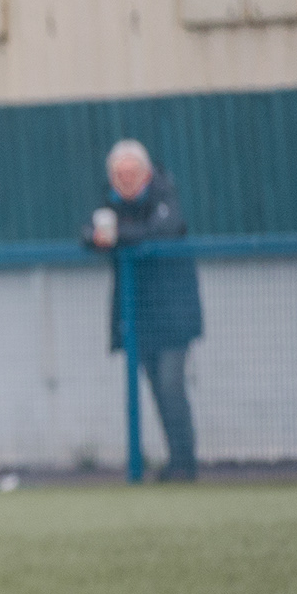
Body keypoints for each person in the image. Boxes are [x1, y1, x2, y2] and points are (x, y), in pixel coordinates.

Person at [84, 139, 202, 481]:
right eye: (118, 174)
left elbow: (162, 231)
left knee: (171, 386)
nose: (125, 180)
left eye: (131, 173)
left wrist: (117, 235)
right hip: (137, 316)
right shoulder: (110, 205)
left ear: (146, 173)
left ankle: (184, 463)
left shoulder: (166, 197)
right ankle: (171, 463)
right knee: (153, 390)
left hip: (175, 314)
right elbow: (87, 233)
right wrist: (100, 236)